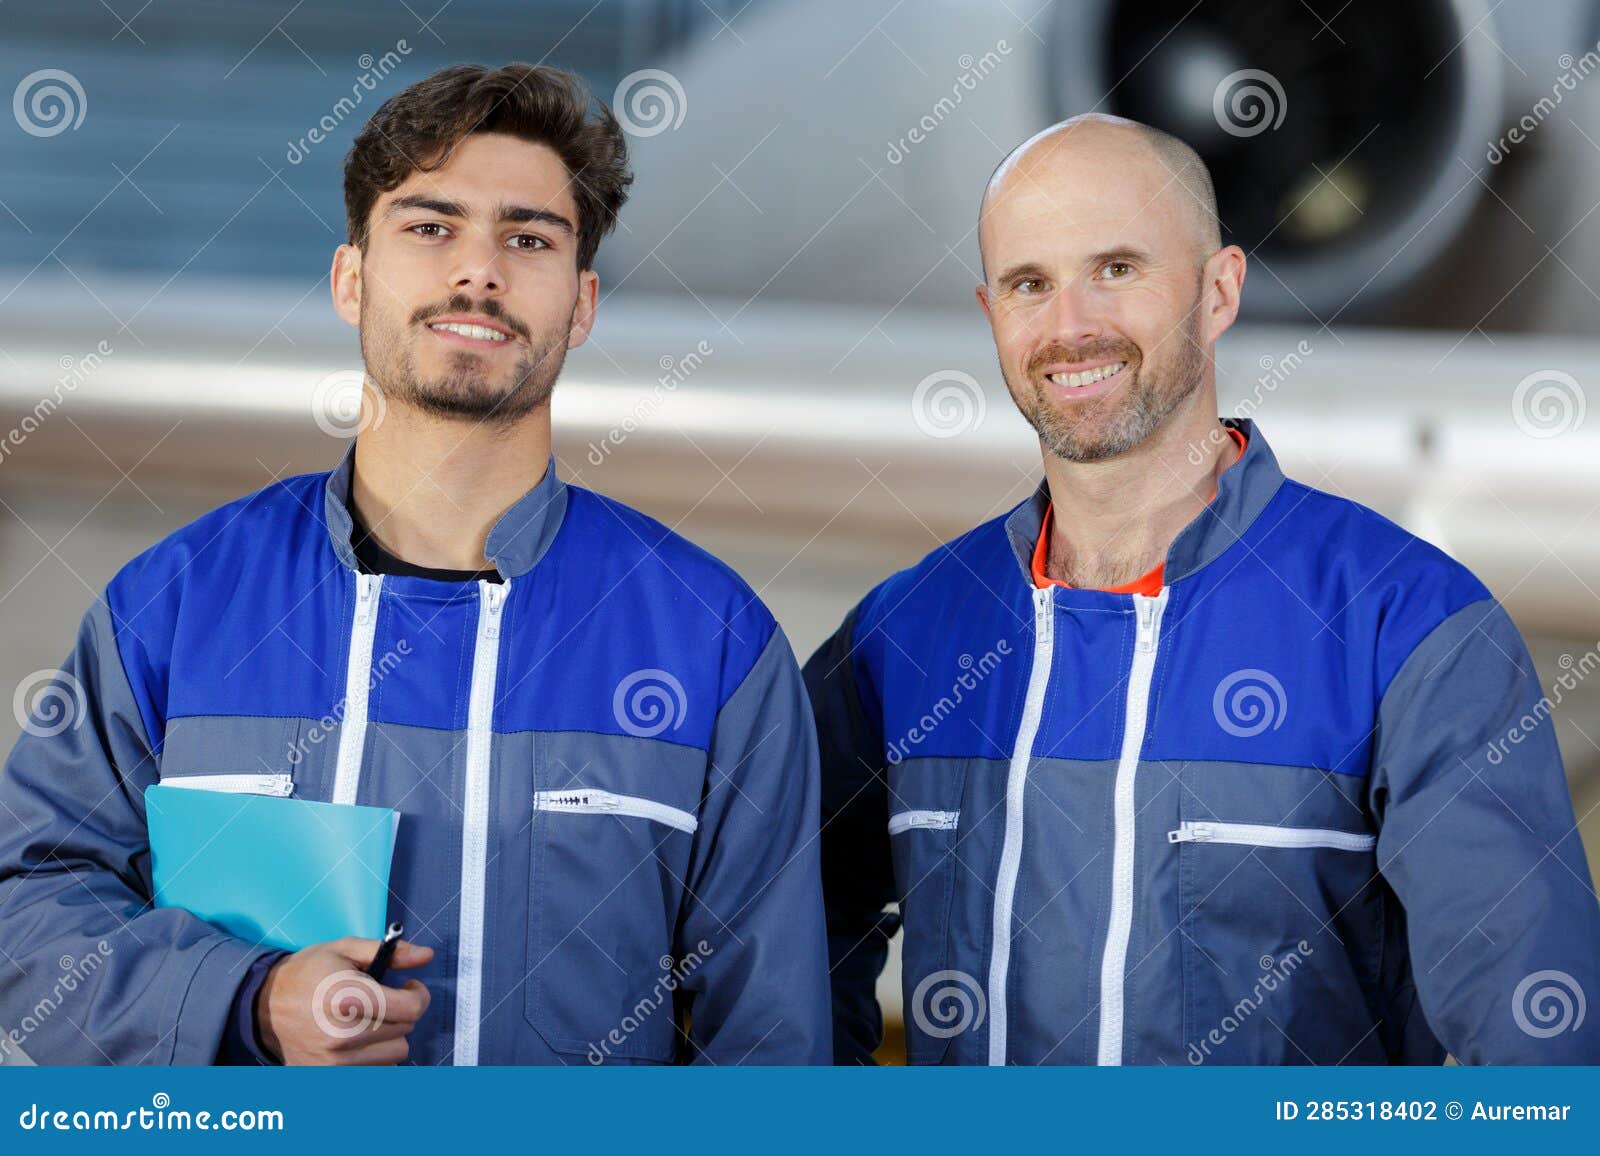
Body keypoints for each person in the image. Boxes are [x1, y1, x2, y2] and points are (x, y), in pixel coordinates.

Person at [0, 63, 828, 1066]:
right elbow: (31, 903)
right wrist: (248, 1002)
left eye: (528, 238)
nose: (478, 270)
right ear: (352, 277)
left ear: (583, 303)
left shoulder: (712, 643)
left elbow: (771, 1042)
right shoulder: (173, 607)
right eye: (430, 227)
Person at [805, 113, 1600, 1065]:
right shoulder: (903, 637)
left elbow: (1543, 1050)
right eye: (1030, 283)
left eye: (1117, 269)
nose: (1071, 327)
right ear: (992, 314)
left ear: (1220, 290)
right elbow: (782, 938)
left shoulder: (1409, 625)